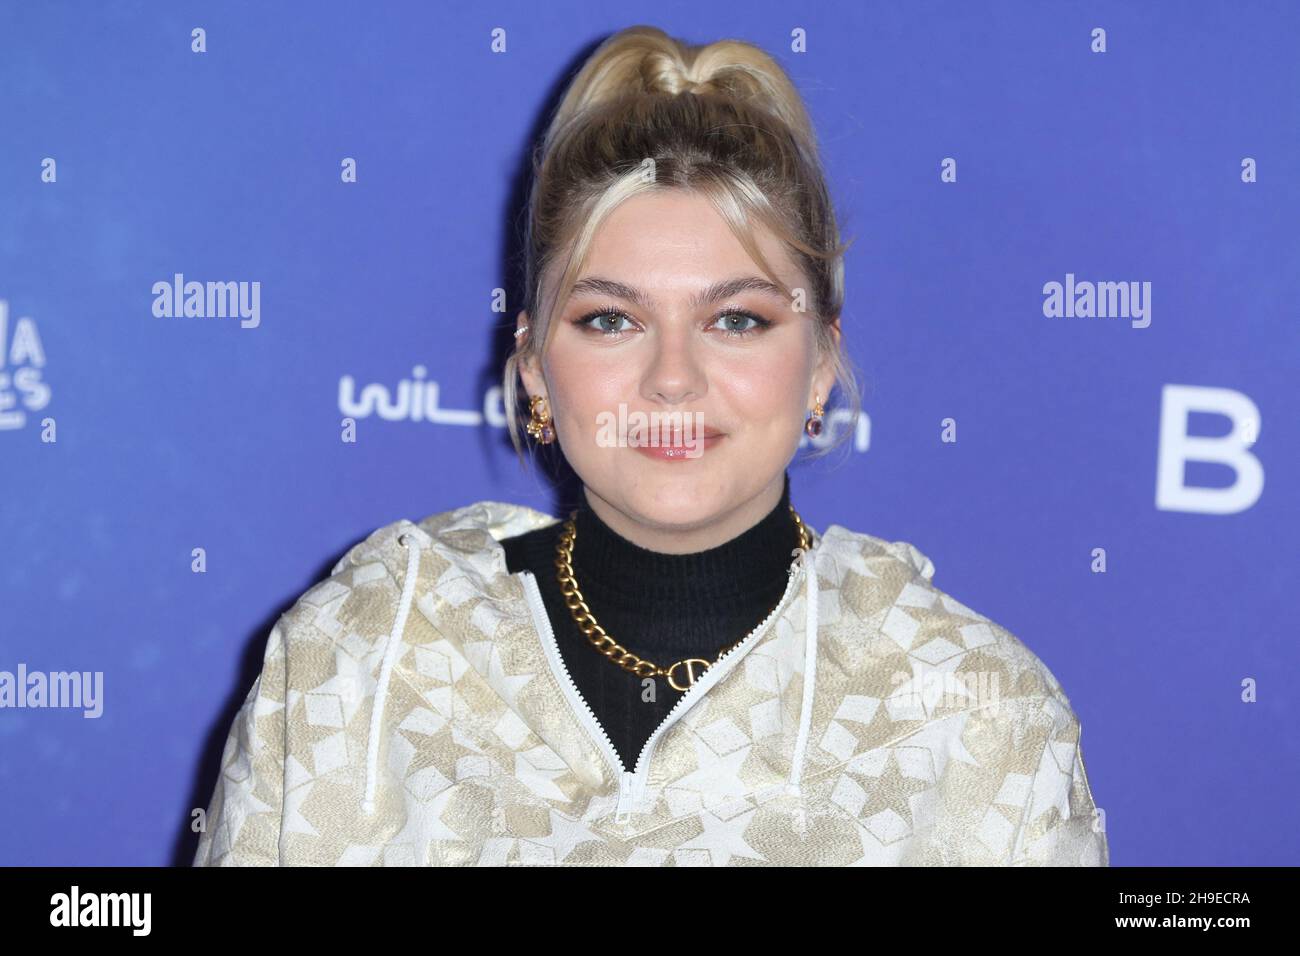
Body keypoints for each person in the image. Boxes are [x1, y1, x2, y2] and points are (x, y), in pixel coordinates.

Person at [193, 25, 1107, 866]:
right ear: (535, 365)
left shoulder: (979, 713)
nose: (673, 378)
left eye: (738, 319)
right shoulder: (367, 651)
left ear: (822, 360)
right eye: (611, 319)